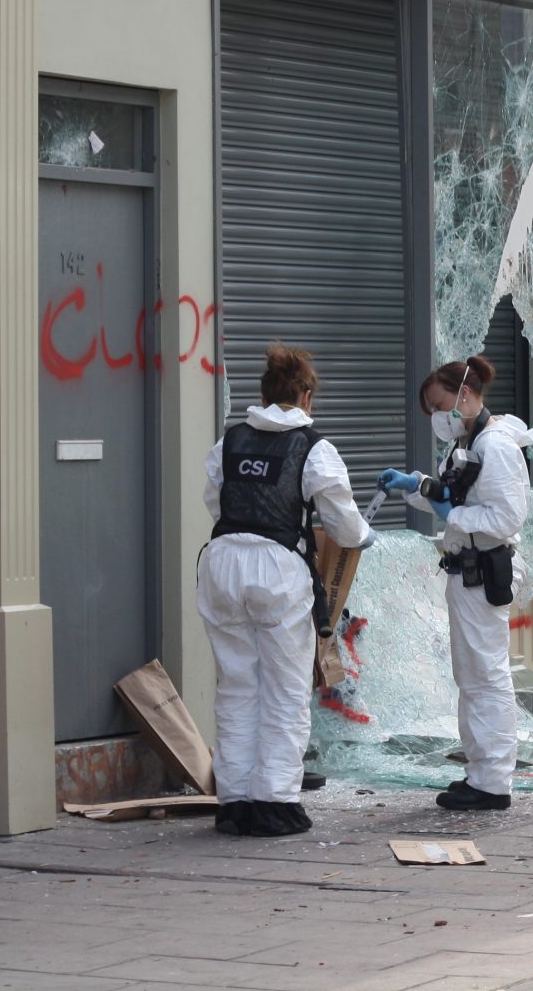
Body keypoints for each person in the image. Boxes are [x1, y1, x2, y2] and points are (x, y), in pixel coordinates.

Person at [200, 343, 375, 838]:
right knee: (284, 690)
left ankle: (234, 801)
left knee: (236, 685)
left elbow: (216, 501)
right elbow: (343, 525)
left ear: (264, 393)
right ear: (305, 394)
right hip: (279, 572)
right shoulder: (313, 447)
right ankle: (274, 800)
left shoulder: (229, 442)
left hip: (222, 564)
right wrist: (364, 536)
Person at [379, 355, 533, 811]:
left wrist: (453, 513)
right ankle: (482, 773)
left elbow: (506, 516)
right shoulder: (472, 439)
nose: (436, 416)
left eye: (438, 404)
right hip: (469, 568)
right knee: (474, 677)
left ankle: (492, 781)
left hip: (484, 568)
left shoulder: (496, 446)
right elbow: (458, 495)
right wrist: (418, 486)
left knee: (486, 677)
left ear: (464, 394)